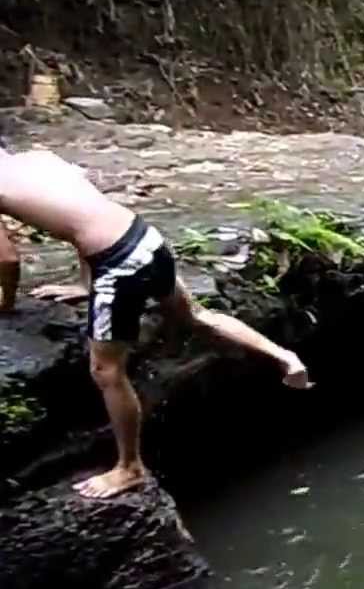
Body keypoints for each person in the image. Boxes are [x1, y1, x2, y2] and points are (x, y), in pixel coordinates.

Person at [0, 146, 313, 499]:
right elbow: (83, 214)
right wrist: (86, 286)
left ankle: (130, 468)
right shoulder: (39, 158)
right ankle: (284, 356)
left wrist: (6, 303)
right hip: (143, 237)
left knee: (106, 371)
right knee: (197, 316)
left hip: (117, 262)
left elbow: (7, 260)